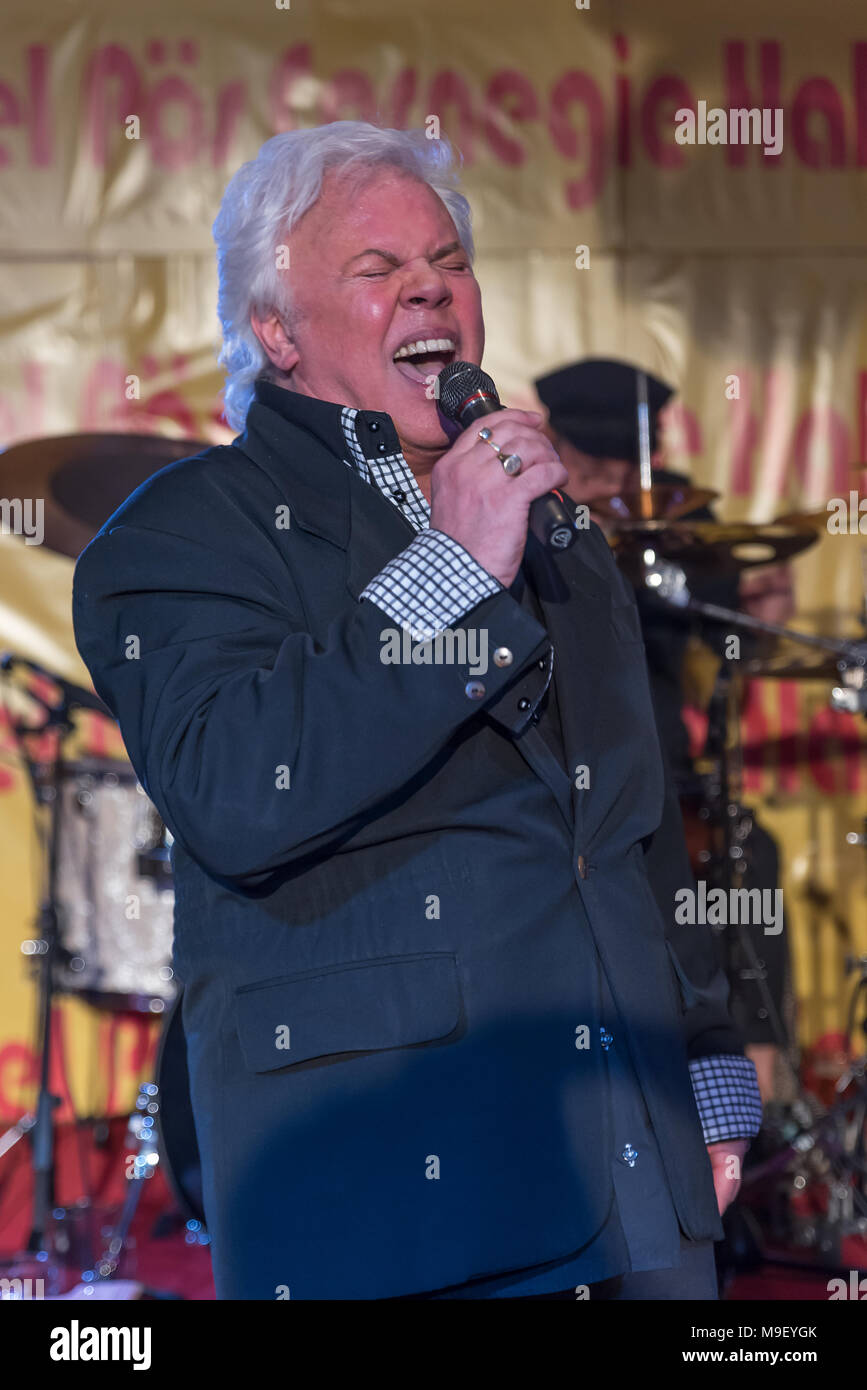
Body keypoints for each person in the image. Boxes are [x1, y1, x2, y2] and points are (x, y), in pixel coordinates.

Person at [72, 123, 762, 1301]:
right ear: (274, 330)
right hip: (393, 1204)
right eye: (376, 269)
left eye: (446, 258)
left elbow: (631, 828)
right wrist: (448, 570)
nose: (429, 284)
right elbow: (242, 788)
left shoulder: (559, 532)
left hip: (637, 1181)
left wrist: (704, 1069)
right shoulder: (180, 532)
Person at [535, 358, 795, 1104]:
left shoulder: (676, 514)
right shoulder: (516, 503)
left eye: (620, 456)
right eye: (590, 456)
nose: (609, 471)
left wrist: (764, 618)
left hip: (658, 771)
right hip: (545, 770)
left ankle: (752, 1097)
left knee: (747, 860)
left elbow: (737, 651)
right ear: (555, 435)